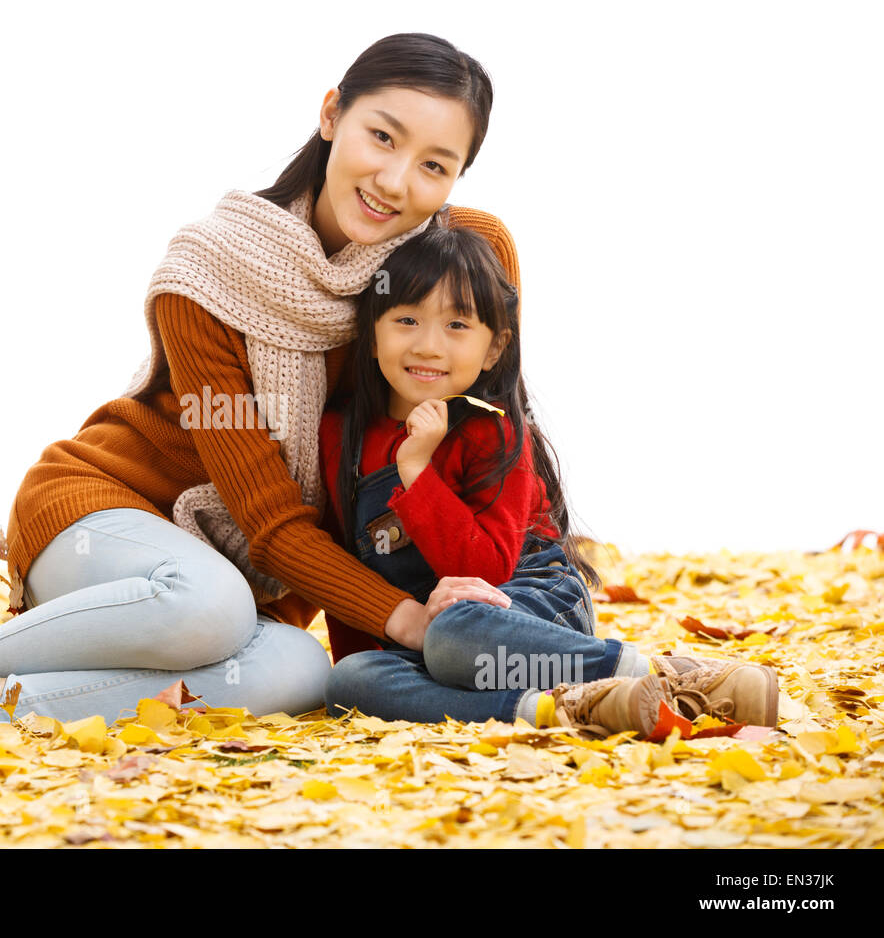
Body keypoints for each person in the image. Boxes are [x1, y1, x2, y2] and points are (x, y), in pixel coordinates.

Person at [0, 32, 525, 735]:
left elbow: (498, 448)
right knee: (209, 606)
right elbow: (268, 520)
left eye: (434, 164)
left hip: (251, 583)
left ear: (459, 175)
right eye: (381, 136)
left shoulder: (468, 261)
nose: (394, 181)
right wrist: (409, 621)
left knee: (296, 671)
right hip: (103, 517)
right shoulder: (208, 275)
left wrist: (506, 624)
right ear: (332, 114)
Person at [318, 225, 780, 736]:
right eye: (406, 319)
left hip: (527, 608)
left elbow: (482, 568)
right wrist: (386, 651)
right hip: (435, 637)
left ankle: (668, 676)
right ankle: (566, 708)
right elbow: (349, 564)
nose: (428, 346)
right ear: (373, 330)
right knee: (351, 682)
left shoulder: (493, 432)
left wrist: (417, 470)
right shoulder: (340, 433)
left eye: (457, 325)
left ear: (495, 349)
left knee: (454, 637)